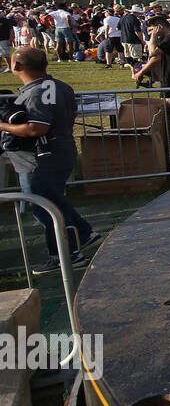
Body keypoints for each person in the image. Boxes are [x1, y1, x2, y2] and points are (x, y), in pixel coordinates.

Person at [0, 47, 102, 273]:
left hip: (42, 157)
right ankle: (84, 234)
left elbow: (37, 128)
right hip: (58, 150)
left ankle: (66, 254)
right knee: (54, 202)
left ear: (16, 66)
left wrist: (4, 125)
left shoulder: (38, 92)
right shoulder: (60, 86)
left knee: (46, 208)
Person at [134, 15, 170, 88]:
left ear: (159, 27)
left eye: (152, 29)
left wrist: (153, 36)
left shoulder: (169, 40)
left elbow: (153, 54)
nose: (150, 33)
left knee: (167, 99)